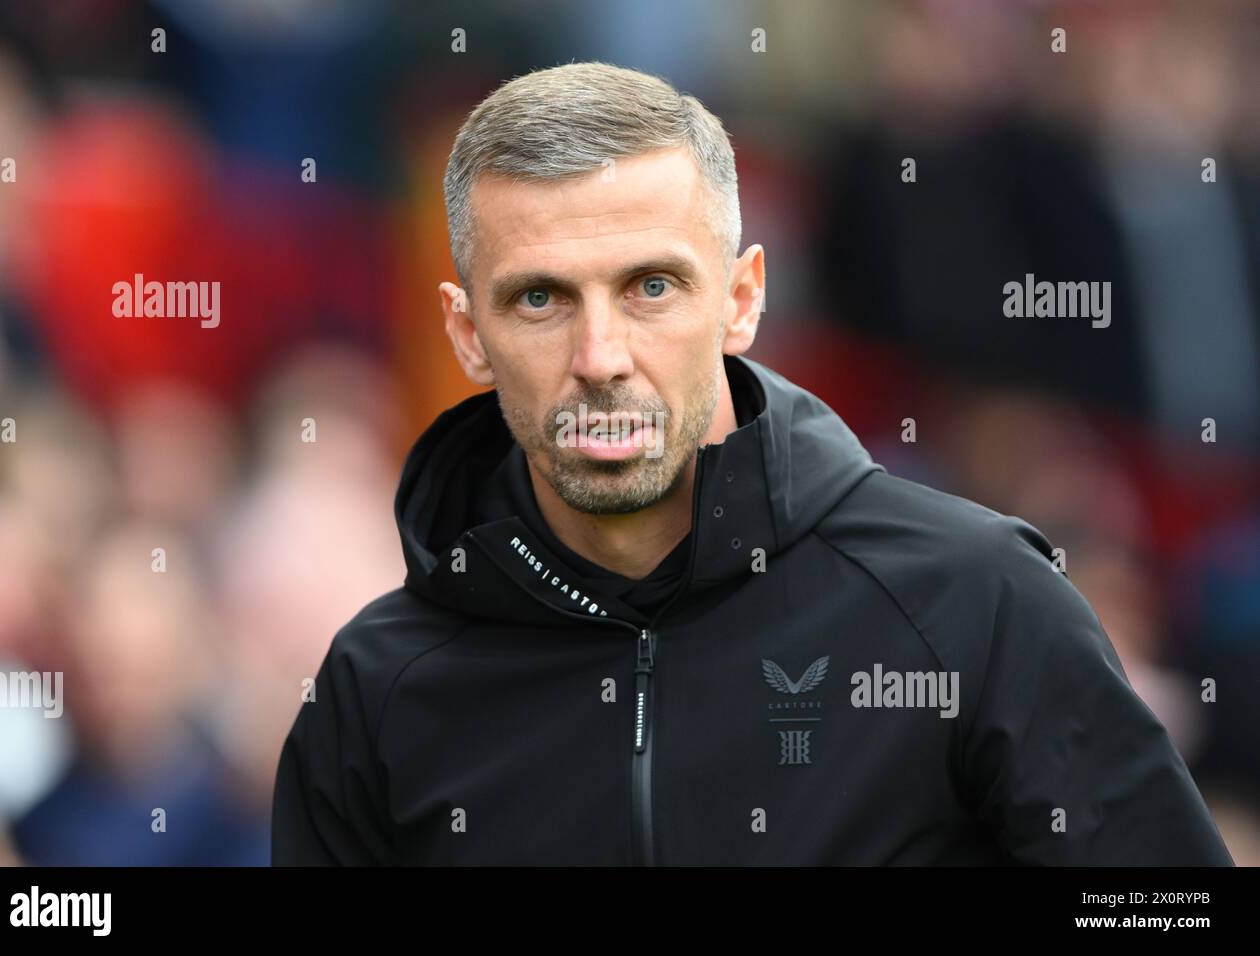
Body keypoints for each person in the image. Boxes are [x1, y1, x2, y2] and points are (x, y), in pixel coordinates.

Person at [270, 61, 1233, 866]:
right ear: (465, 334)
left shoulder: (976, 603)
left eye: (651, 286)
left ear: (741, 300)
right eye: (539, 300)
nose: (600, 356)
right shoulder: (377, 689)